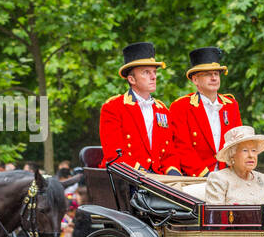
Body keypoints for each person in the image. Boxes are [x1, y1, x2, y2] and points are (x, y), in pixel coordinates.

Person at [98, 42, 181, 174]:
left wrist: (174, 174)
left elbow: (169, 153)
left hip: (159, 180)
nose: (154, 77)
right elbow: (114, 155)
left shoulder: (162, 110)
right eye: (146, 72)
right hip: (126, 178)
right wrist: (145, 176)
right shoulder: (113, 108)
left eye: (154, 72)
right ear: (132, 79)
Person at [167, 46, 243, 177]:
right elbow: (183, 147)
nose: (214, 78)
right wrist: (206, 175)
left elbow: (240, 142)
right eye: (208, 74)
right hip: (196, 178)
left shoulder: (231, 105)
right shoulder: (181, 106)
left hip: (229, 176)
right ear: (195, 80)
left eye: (216, 74)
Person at [203, 127, 264, 204]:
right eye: (245, 150)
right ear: (232, 155)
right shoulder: (218, 179)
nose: (251, 155)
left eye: (254, 150)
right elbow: (215, 214)